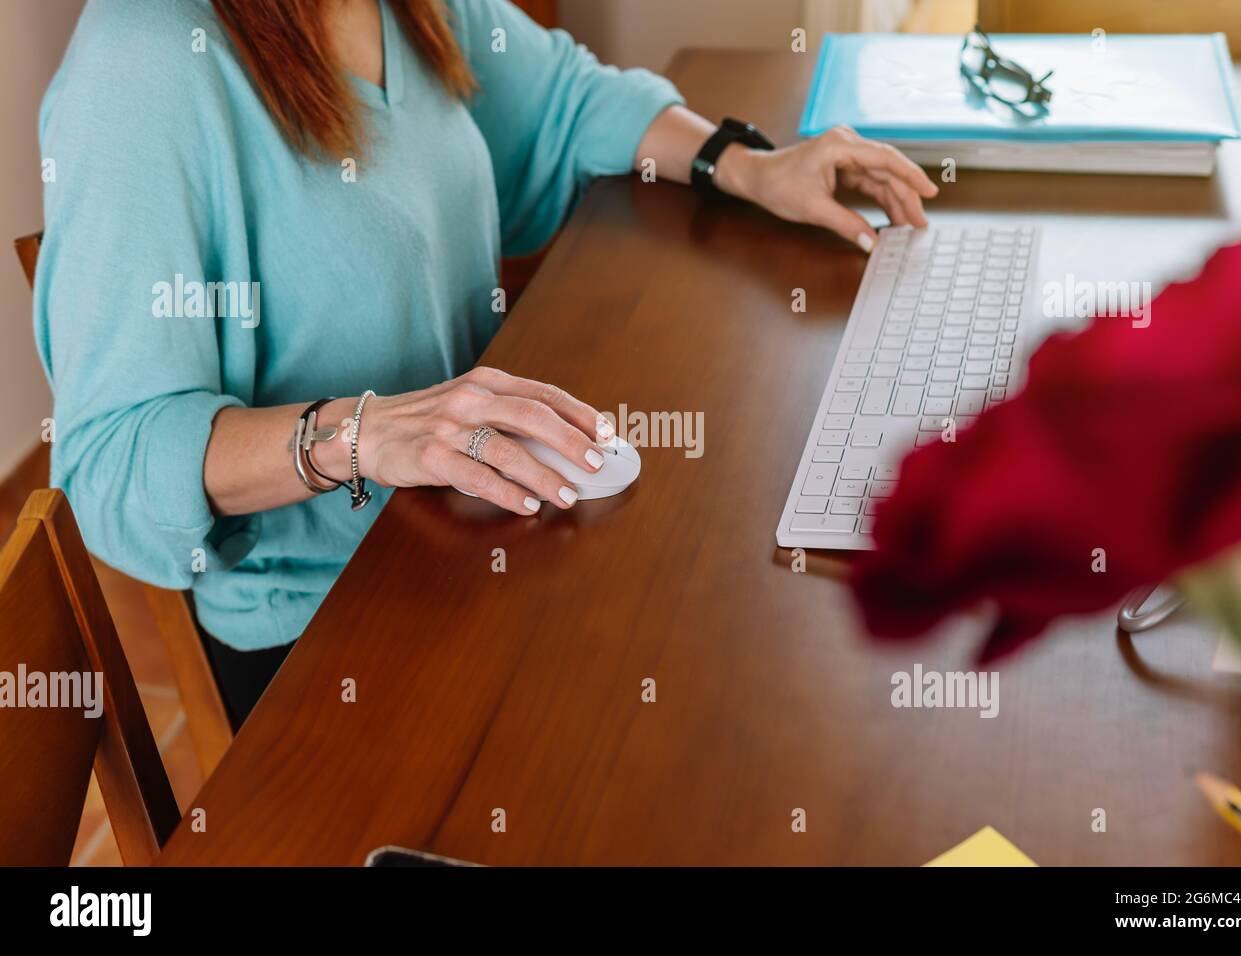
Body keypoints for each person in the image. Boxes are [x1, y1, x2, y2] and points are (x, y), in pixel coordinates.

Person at [34, 0, 938, 725]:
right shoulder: (141, 61)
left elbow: (567, 99)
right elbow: (111, 456)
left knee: (755, 655)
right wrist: (359, 434)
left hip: (485, 545)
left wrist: (742, 163)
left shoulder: (416, 11)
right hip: (331, 641)